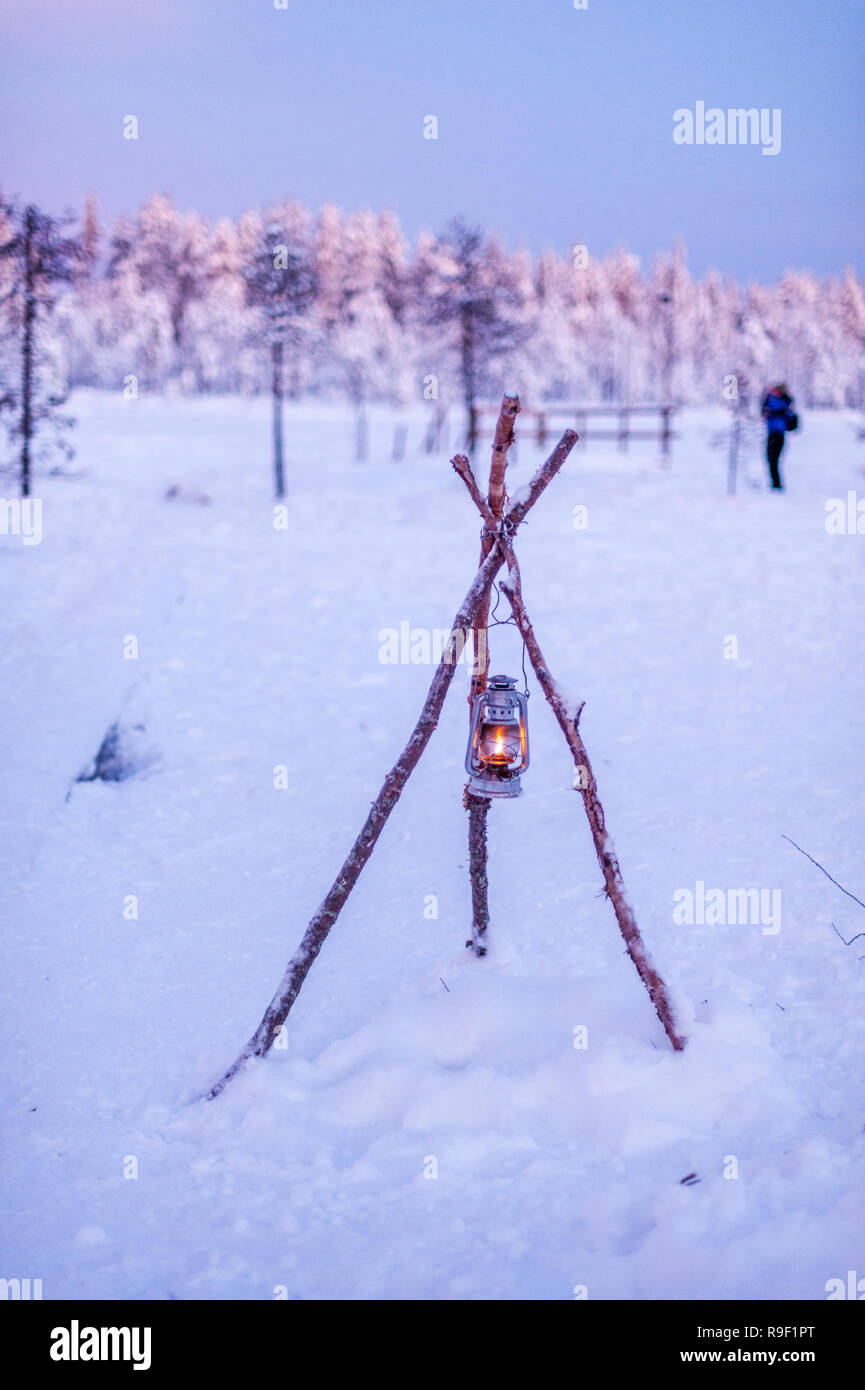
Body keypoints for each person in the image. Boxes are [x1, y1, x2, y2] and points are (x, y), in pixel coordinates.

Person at [761, 382, 795, 490]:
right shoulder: (771, 400)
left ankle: (776, 484)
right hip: (772, 432)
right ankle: (775, 483)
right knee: (771, 459)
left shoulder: (783, 402)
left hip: (778, 433)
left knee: (773, 459)